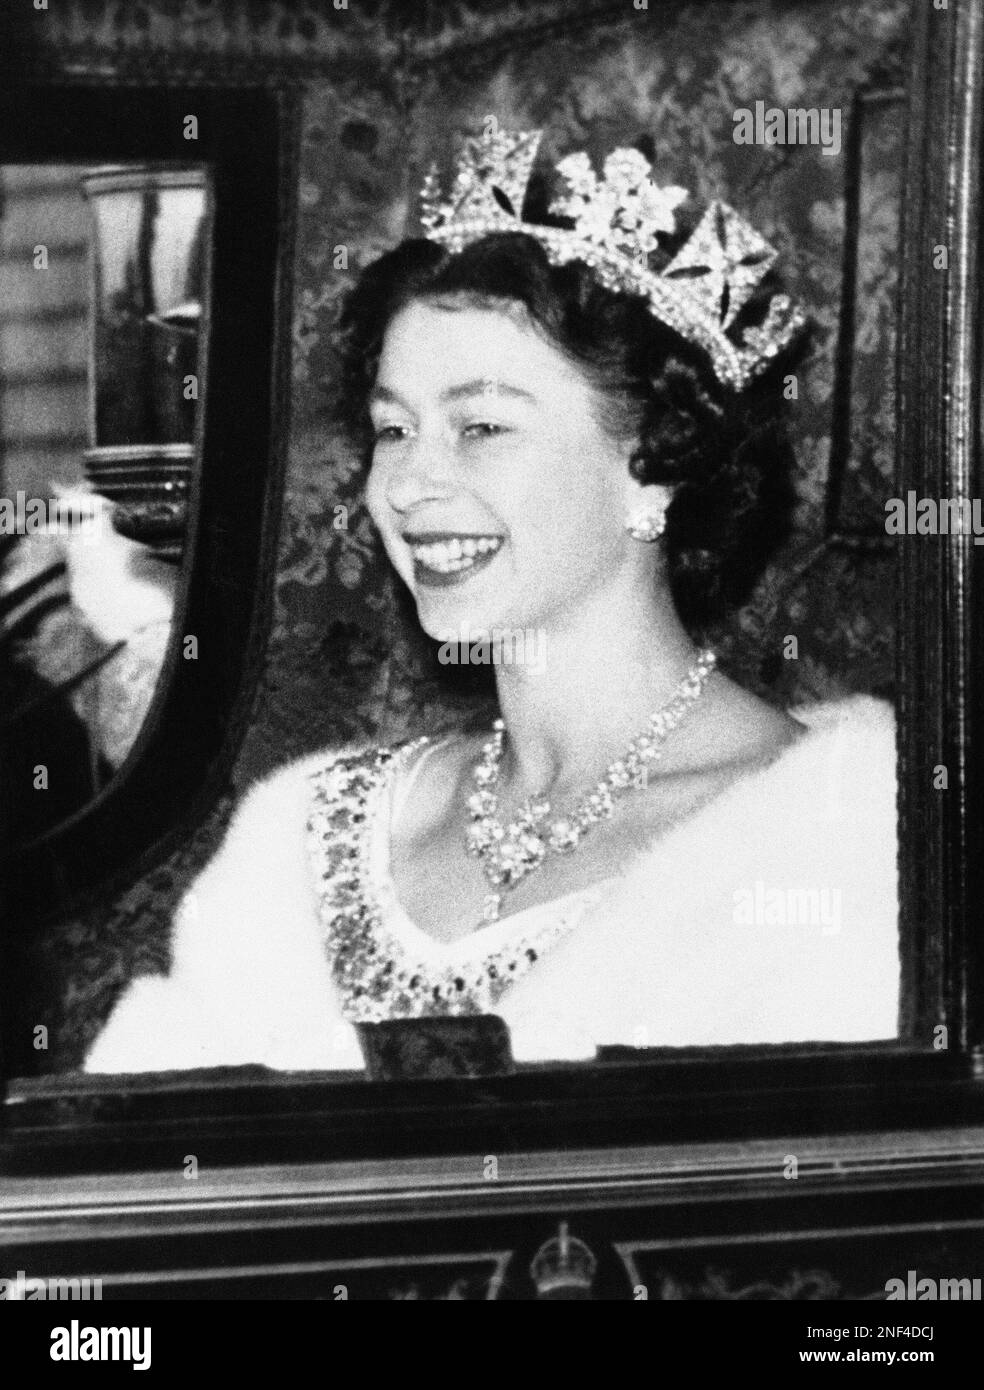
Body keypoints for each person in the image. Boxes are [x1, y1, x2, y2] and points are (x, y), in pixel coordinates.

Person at [86, 130, 899, 1074]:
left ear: (657, 467)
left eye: (480, 426)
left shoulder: (824, 834)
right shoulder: (307, 831)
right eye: (395, 428)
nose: (406, 485)